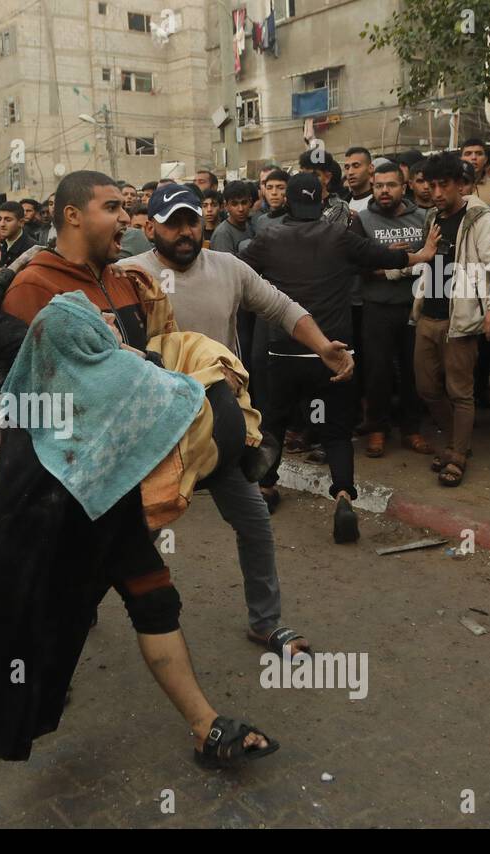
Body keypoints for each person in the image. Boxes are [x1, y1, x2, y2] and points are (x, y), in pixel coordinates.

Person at [0, 170, 279, 770]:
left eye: (128, 210)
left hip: (114, 483)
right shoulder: (34, 286)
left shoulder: (124, 281)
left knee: (148, 594)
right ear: (73, 215)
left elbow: (151, 360)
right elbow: (43, 386)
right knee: (34, 604)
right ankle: (21, 708)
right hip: (58, 492)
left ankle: (204, 726)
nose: (127, 221)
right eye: (113, 208)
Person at [121, 185, 344, 655]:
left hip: (218, 423)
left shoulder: (228, 268)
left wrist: (322, 345)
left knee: (254, 522)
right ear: (150, 228)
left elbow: (282, 307)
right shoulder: (128, 275)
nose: (184, 232)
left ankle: (265, 622)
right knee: (136, 533)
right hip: (154, 429)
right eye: (172, 223)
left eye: (191, 221)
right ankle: (76, 619)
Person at [242, 172, 437, 541]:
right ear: (321, 201)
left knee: (275, 423)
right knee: (336, 431)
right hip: (332, 353)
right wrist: (422, 254)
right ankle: (344, 495)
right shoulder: (339, 236)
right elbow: (383, 256)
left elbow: (238, 269)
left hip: (282, 349)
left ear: (288, 202)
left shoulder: (268, 237)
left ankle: (266, 487)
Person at [411, 152, 490, 487]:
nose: (436, 192)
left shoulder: (481, 219)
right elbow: (425, 260)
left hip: (461, 318)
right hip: (428, 313)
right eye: (431, 185)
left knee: (460, 391)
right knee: (427, 388)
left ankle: (457, 454)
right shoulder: (432, 217)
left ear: (460, 185)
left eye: (444, 185)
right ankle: (455, 443)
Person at [355, 161, 434, 458]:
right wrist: (394, 260)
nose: (384, 191)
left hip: (415, 307)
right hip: (377, 307)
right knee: (378, 372)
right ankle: (377, 429)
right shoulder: (362, 219)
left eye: (390, 185)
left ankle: (411, 429)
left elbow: (434, 260)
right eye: (378, 186)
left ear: (405, 186)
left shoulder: (424, 217)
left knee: (415, 371)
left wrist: (403, 260)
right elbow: (358, 265)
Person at [209, 180, 256, 256]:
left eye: (244, 203)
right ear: (226, 205)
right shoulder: (223, 234)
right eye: (234, 204)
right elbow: (226, 266)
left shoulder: (248, 226)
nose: (240, 209)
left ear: (250, 202)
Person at [461, 139, 490, 205]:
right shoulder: (453, 186)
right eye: (468, 154)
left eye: (479, 154)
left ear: (485, 159)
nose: (474, 157)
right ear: (461, 159)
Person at [0, 201, 33, 267]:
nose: (2, 224)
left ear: (21, 222)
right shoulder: (3, 245)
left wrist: (3, 273)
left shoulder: (32, 249)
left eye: (8, 220)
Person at [343, 146, 374, 211]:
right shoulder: (341, 206)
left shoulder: (381, 203)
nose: (350, 172)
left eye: (356, 166)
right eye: (347, 167)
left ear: (370, 168)